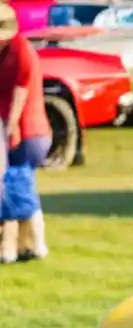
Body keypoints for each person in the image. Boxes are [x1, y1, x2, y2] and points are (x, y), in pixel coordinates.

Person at [0, 2, 51, 264]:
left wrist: (10, 128)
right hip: (18, 130)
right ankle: (23, 247)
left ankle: (34, 247)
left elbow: (21, 91)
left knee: (17, 191)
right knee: (18, 189)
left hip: (27, 132)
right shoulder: (6, 51)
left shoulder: (20, 49)